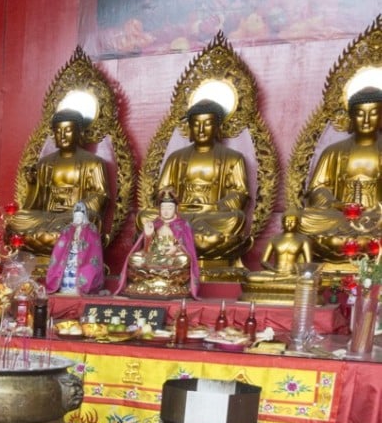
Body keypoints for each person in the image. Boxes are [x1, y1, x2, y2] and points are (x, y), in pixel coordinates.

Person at [144, 99, 250, 264]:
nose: (201, 130)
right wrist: (173, 204)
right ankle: (190, 237)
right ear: (190, 128)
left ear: (218, 127)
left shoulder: (233, 158)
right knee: (145, 216)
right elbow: (162, 190)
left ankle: (180, 240)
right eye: (196, 124)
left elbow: (240, 192)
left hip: (212, 215)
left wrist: (216, 207)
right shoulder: (176, 158)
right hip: (178, 215)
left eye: (207, 124)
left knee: (237, 218)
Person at [7, 109, 109, 257]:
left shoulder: (93, 163)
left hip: (72, 219)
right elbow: (37, 202)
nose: (62, 136)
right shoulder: (45, 163)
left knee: (80, 226)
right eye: (58, 131)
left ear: (79, 133)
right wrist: (33, 185)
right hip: (46, 218)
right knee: (17, 219)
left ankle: (58, 239)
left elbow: (101, 196)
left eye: (68, 130)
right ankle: (50, 237)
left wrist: (76, 211)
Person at [299, 86, 382, 262]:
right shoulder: (333, 151)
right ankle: (360, 243)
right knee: (303, 219)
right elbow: (317, 190)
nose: (366, 120)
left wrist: (375, 211)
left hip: (376, 218)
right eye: (360, 114)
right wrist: (338, 206)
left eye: (373, 113)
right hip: (340, 218)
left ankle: (355, 242)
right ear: (351, 117)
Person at [117, 190, 200, 298]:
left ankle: (157, 282)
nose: (166, 211)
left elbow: (188, 247)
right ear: (159, 209)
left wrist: (177, 248)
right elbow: (146, 249)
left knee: (184, 259)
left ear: (176, 209)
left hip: (172, 258)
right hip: (154, 257)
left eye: (169, 208)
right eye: (163, 208)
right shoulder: (155, 223)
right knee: (134, 258)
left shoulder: (183, 225)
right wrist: (148, 235)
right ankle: (154, 280)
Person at [45, 201, 105, 295]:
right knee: (65, 271)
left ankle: (80, 290)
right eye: (76, 217)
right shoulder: (68, 228)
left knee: (84, 272)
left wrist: (81, 248)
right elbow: (61, 245)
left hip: (85, 259)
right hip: (69, 256)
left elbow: (94, 248)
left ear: (84, 216)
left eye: (80, 217)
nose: (77, 219)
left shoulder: (91, 229)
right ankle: (65, 288)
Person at [246, 212, 314, 283]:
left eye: (292, 221)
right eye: (287, 221)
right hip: (275, 272)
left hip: (293, 274)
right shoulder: (274, 239)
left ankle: (282, 281)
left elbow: (308, 263)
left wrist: (296, 270)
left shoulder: (304, 240)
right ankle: (283, 281)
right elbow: (264, 261)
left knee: (310, 281)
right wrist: (273, 269)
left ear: (297, 223)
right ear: (282, 223)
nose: (289, 224)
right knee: (250, 277)